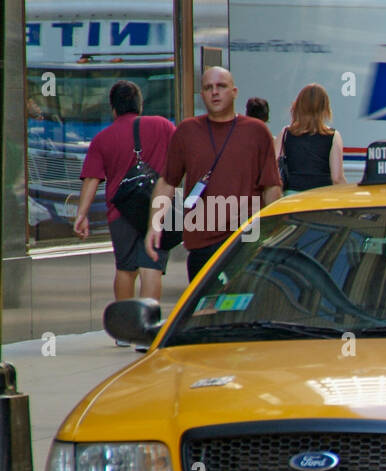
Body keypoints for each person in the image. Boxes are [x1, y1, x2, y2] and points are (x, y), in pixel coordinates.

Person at [147, 67, 282, 280]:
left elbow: (271, 187)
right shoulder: (187, 131)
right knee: (203, 311)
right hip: (201, 241)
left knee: (240, 309)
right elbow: (167, 182)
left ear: (235, 91)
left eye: (221, 86)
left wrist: (270, 233)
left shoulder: (257, 132)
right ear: (202, 95)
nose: (215, 92)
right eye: (209, 88)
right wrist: (154, 225)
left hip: (244, 241)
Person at [73, 80, 177, 332]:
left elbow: (92, 179)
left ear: (113, 108)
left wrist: (82, 215)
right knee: (151, 266)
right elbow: (182, 154)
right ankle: (148, 326)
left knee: (125, 269)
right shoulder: (162, 125)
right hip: (158, 210)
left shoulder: (102, 139)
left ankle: (124, 330)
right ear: (139, 104)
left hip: (120, 213)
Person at [273, 83, 345, 194]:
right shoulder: (333, 136)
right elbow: (337, 178)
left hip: (292, 197)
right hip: (321, 197)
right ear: (325, 107)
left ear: (298, 105)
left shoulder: (286, 133)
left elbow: (273, 168)